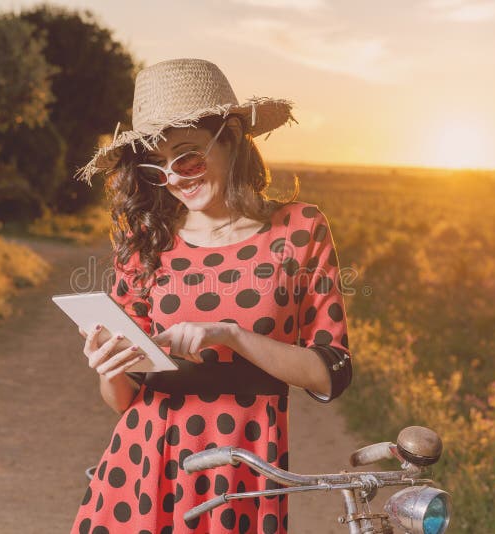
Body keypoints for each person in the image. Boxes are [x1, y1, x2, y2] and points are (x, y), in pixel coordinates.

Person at [69, 58, 352, 534]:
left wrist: (230, 336)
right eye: (157, 169)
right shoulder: (146, 240)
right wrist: (108, 368)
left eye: (187, 158)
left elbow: (331, 373)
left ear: (232, 139)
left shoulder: (300, 229)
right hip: (144, 468)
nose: (175, 179)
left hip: (243, 469)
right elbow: (124, 400)